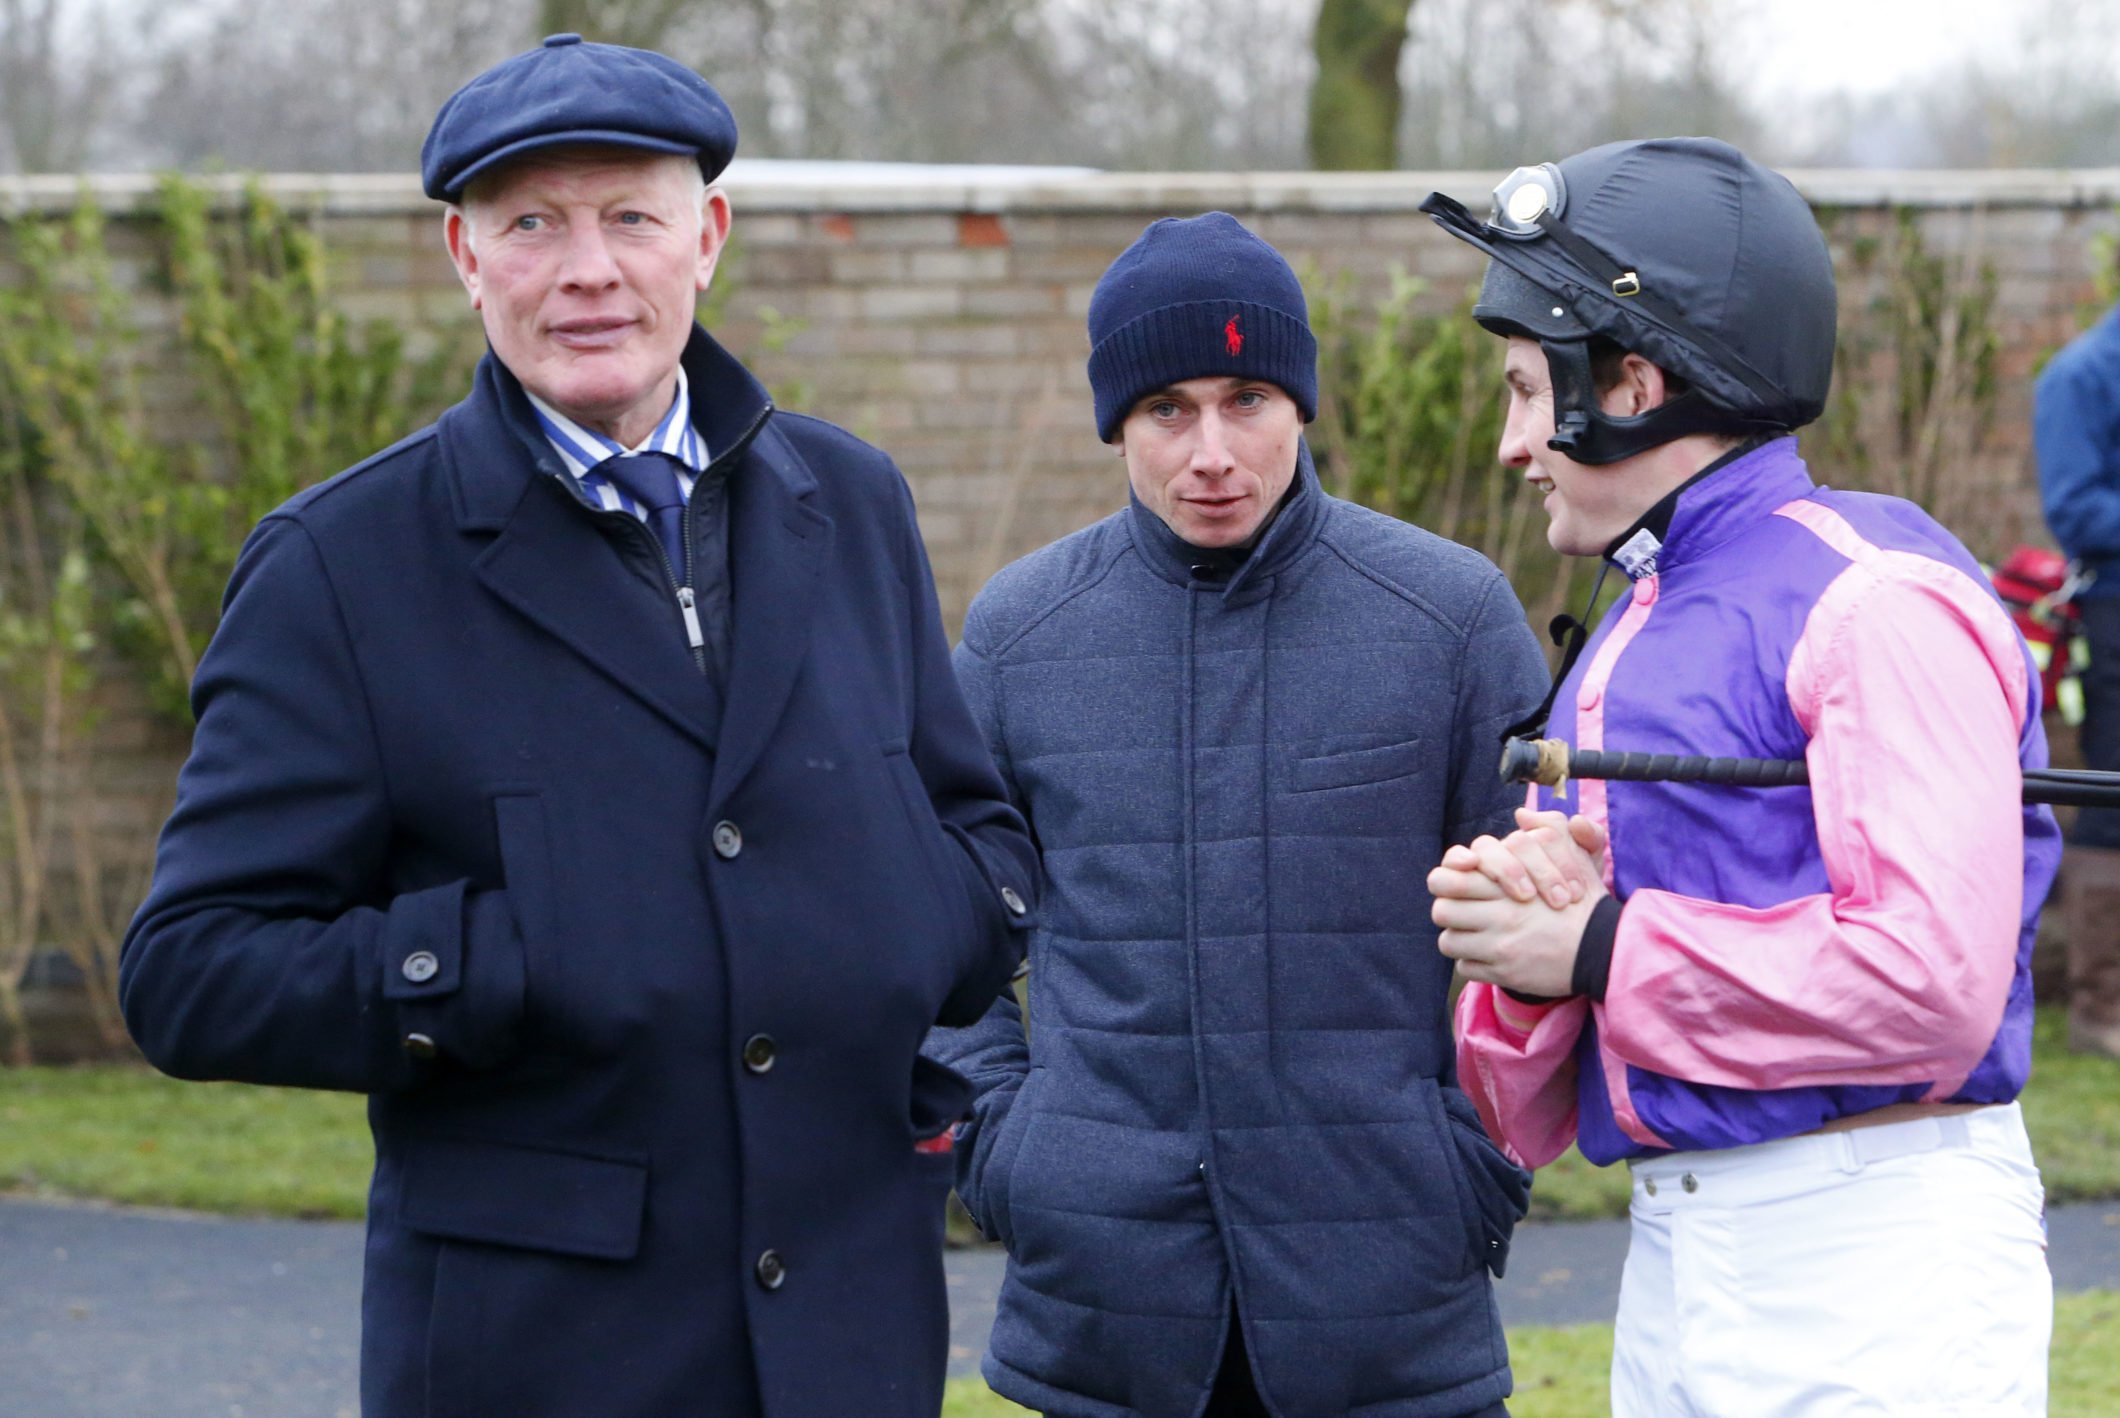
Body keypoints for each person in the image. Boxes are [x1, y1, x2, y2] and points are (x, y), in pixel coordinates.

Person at [117, 34, 1036, 1418]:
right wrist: (497, 959)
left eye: (629, 217)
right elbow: (188, 970)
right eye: (533, 222)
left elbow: (969, 826)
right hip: (536, 1355)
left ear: (707, 236)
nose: (587, 267)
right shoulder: (340, 564)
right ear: (464, 255)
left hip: (851, 1336)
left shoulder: (849, 500)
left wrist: (928, 919)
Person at [1420, 137, 2060, 1415]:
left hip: (1877, 1254)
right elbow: (1528, 1108)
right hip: (1675, 1247)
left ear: (1634, 382)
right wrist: (1523, 938)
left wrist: (1598, 947)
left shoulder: (1871, 593)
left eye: (1524, 393)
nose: (1510, 444)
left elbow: (1931, 983)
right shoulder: (1632, 614)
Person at [925, 212, 1551, 1418]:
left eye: (1247, 398)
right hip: (1104, 1311)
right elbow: (928, 940)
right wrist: (1014, 1150)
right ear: (1116, 423)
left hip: (1389, 1309)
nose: (1211, 450)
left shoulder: (1447, 616)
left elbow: (1543, 928)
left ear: (1300, 405)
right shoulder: (1017, 635)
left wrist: (1468, 1162)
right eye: (1167, 409)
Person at [2034, 309, 2120, 1056]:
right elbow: (2076, 508)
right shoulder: (2083, 373)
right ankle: (2103, 1011)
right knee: (2114, 798)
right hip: (2114, 613)